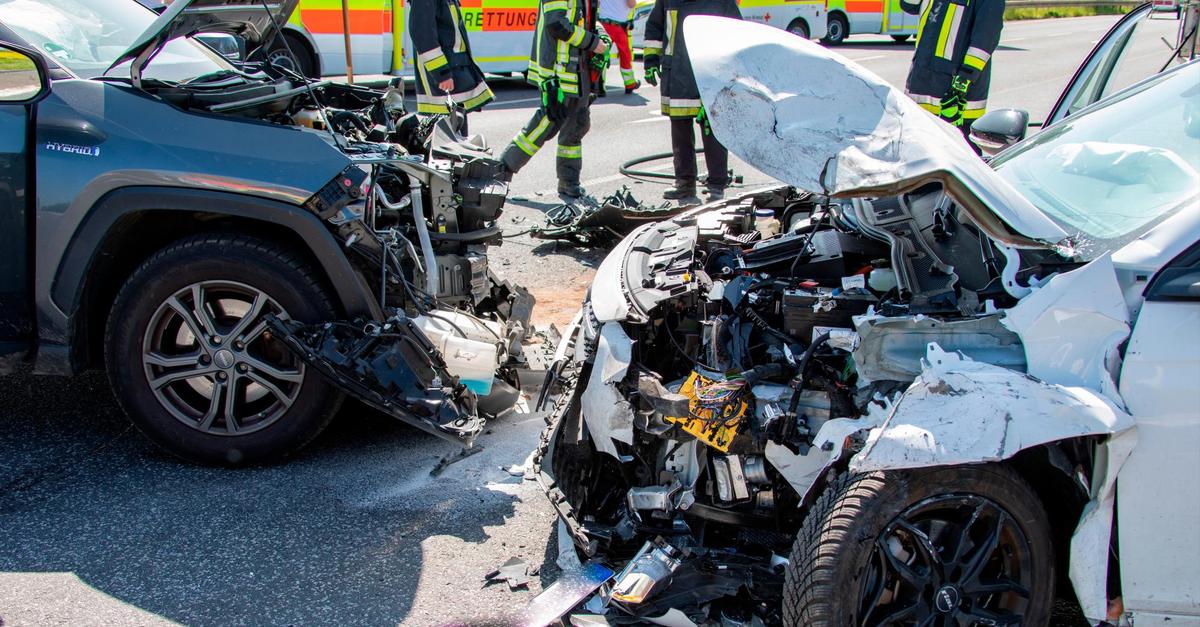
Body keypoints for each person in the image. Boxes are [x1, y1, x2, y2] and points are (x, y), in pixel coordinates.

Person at [498, 0, 609, 198]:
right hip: (559, 73)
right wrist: (592, 42)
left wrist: (602, 35)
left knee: (577, 126)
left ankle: (569, 182)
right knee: (545, 124)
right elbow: (556, 24)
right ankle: (502, 168)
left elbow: (590, 20)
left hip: (580, 72)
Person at [644, 0, 741, 200]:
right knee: (680, 131)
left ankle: (716, 184)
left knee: (712, 130)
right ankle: (685, 183)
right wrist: (650, 61)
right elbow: (655, 27)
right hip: (677, 73)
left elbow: (736, 33)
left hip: (710, 74)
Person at [900, 0, 1005, 135]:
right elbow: (909, 6)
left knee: (960, 150)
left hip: (956, 95)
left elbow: (986, 37)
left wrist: (963, 81)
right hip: (921, 84)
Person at [409, 0, 494, 126]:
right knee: (445, 138)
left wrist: (473, 96)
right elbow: (423, 36)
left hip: (453, 74)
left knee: (457, 138)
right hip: (443, 82)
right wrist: (442, 74)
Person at [599, 0, 640, 93]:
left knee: (600, 55)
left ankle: (598, 85)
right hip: (618, 27)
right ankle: (630, 84)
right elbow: (631, 4)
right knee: (625, 55)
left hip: (602, 25)